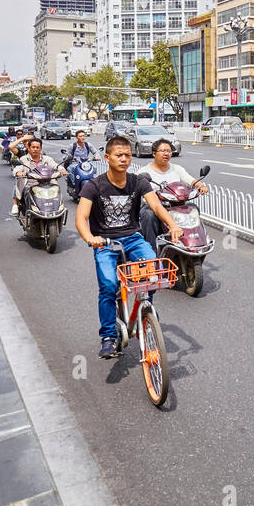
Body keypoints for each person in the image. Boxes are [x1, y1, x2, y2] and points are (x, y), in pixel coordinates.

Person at [75, 135, 183, 360]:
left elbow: (155, 205)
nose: (124, 159)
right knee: (108, 286)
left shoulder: (138, 182)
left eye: (127, 155)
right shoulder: (94, 186)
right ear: (107, 158)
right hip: (105, 242)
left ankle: (145, 310)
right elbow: (81, 217)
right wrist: (90, 238)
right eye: (118, 155)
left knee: (153, 272)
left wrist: (173, 225)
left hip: (133, 238)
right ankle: (108, 336)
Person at [137, 138, 208, 246]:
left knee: (193, 208)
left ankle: (194, 241)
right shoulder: (144, 172)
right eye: (163, 151)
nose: (166, 153)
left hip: (176, 205)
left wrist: (200, 186)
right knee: (148, 214)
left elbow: (191, 180)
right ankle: (151, 249)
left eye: (169, 151)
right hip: (154, 206)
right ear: (154, 153)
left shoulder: (177, 169)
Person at [11, 137, 66, 215]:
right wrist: (19, 172)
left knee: (56, 191)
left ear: (41, 149)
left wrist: (62, 170)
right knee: (25, 190)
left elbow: (55, 166)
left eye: (37, 147)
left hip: (48, 183)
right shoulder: (24, 159)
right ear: (29, 148)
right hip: (31, 184)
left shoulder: (47, 159)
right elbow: (18, 168)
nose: (35, 149)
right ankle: (27, 212)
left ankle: (57, 210)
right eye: (33, 147)